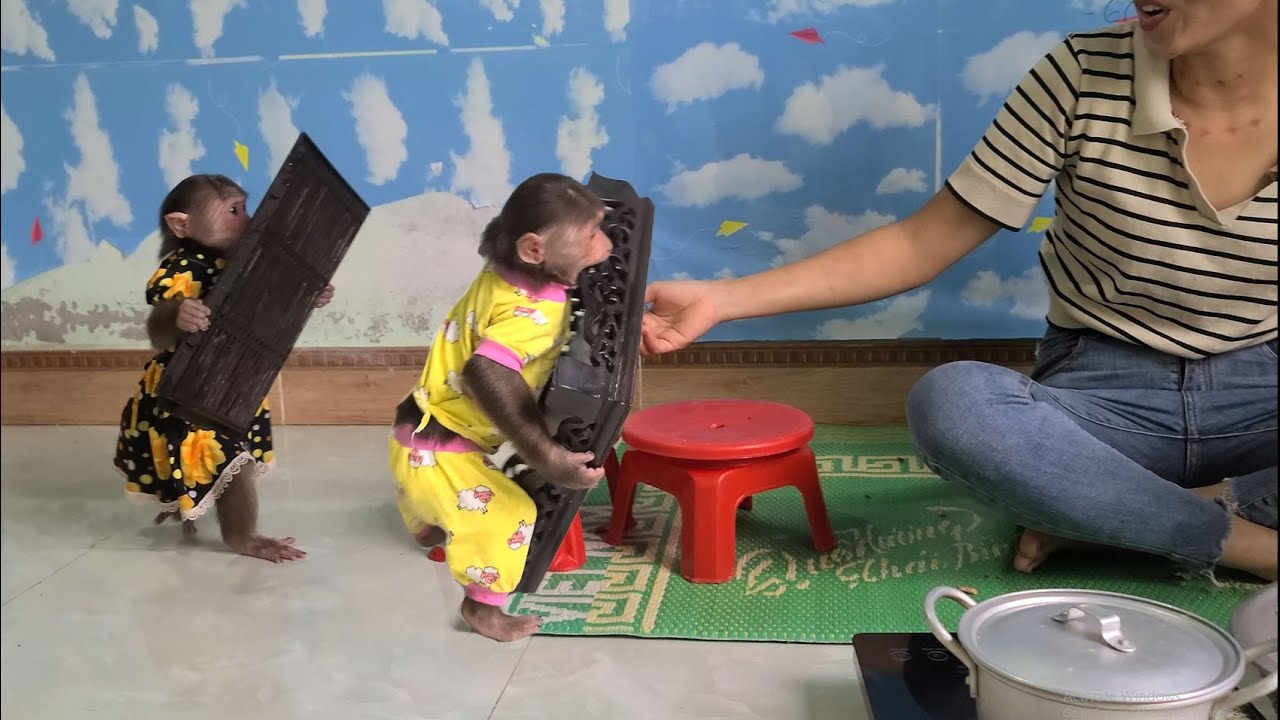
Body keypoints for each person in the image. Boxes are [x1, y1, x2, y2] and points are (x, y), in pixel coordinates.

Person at [640, 1, 1277, 582]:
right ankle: (1238, 541)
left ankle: (1119, 516)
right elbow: (923, 242)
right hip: (1101, 403)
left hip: (1262, 394)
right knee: (954, 403)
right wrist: (722, 298)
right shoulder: (1084, 70)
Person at [389, 173, 613, 641]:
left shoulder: (508, 269)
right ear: (534, 250)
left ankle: (428, 519)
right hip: (439, 446)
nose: (604, 243)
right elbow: (486, 372)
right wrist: (543, 454)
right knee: (510, 514)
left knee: (442, 497)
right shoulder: (531, 308)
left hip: (422, 424)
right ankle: (481, 611)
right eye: (590, 236)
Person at [113, 174, 335, 563]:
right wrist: (175, 315)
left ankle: (197, 509)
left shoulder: (244, 262)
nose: (246, 219)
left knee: (226, 457)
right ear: (182, 225)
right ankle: (242, 536)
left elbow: (264, 312)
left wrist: (306, 296)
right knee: (229, 458)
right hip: (187, 386)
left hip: (232, 377)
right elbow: (156, 330)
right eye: (232, 210)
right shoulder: (183, 268)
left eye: (244, 208)